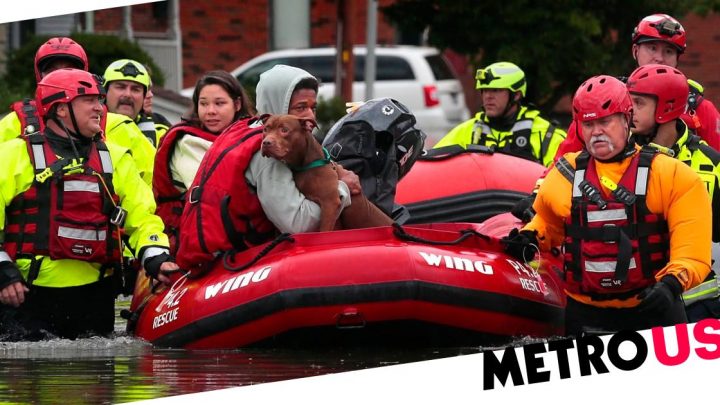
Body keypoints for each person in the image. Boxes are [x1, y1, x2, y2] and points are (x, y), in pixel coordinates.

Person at [503, 75, 711, 335]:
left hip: (654, 308)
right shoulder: (564, 173)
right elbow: (547, 222)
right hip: (586, 315)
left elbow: (693, 250)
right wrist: (530, 238)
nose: (596, 131)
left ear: (627, 119)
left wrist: (672, 284)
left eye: (605, 121)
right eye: (588, 124)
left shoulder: (671, 175)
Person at [0, 69, 178, 340]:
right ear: (60, 109)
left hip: (95, 297)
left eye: (100, 100)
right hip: (25, 295)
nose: (100, 108)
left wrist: (156, 257)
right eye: (89, 101)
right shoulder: (13, 155)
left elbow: (142, 217)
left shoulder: (116, 158)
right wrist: (4, 274)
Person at [176, 64, 393, 271]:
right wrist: (341, 190)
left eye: (312, 107)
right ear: (277, 105)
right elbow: (297, 224)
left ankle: (396, 247)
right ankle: (395, 250)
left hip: (244, 250)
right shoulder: (268, 155)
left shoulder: (253, 129)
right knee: (349, 201)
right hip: (233, 261)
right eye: (300, 108)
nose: (309, 115)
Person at [626, 63, 720, 320]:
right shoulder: (616, 157)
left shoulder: (712, 163)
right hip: (635, 305)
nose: (628, 109)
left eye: (638, 102)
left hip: (700, 308)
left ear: (666, 108)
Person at [554, 13, 720, 159]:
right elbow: (563, 161)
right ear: (635, 51)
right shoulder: (602, 97)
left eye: (668, 51)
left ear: (677, 59)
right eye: (652, 48)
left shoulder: (700, 108)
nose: (659, 58)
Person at [0, 37, 156, 186]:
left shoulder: (120, 127)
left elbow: (152, 185)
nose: (61, 77)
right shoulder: (14, 122)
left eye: (70, 69)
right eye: (51, 71)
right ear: (39, 76)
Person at [153, 70, 254, 255]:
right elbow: (211, 193)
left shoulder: (249, 136)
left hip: (238, 237)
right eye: (203, 104)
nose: (210, 111)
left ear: (237, 104)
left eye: (220, 103)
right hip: (194, 244)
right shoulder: (187, 143)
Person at [434, 61, 566, 167]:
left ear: (516, 95)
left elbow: (564, 177)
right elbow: (433, 163)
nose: (488, 96)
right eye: (484, 90)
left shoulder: (544, 134)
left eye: (496, 90)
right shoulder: (468, 131)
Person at [103, 59, 168, 148]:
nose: (128, 94)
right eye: (120, 87)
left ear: (144, 96)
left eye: (135, 89)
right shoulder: (87, 130)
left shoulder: (163, 137)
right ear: (105, 92)